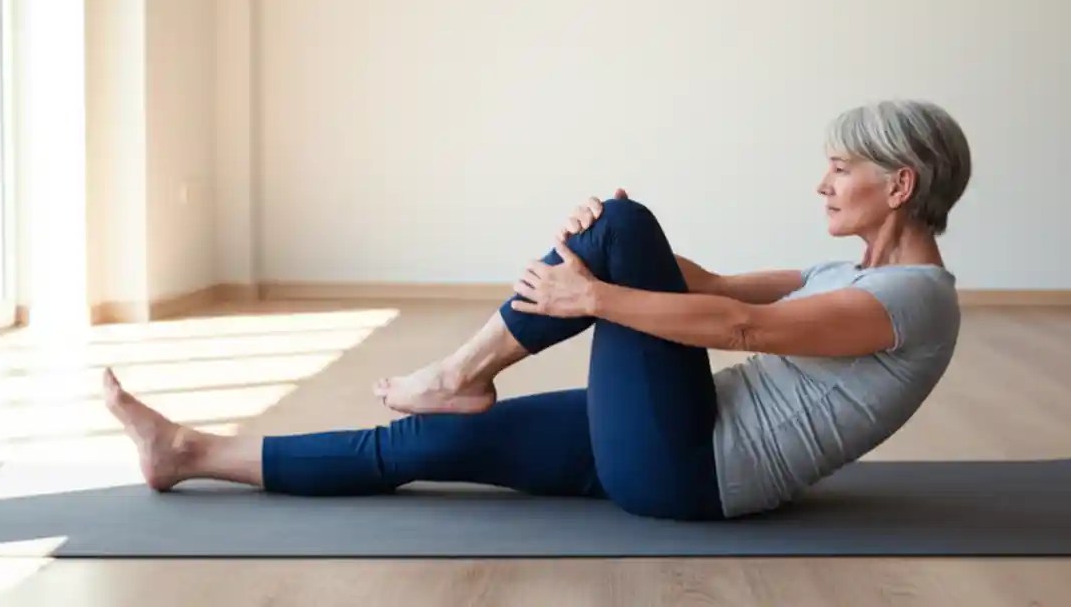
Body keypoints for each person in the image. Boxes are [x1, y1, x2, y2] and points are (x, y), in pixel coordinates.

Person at [103, 99, 971, 521]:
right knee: (425, 443)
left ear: (900, 184)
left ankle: (456, 372)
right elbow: (711, 286)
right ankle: (188, 453)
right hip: (674, 439)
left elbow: (741, 329)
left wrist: (593, 290)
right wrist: (607, 247)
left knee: (622, 236)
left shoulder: (912, 302)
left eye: (842, 168)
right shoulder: (843, 271)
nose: (823, 182)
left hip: (699, 470)